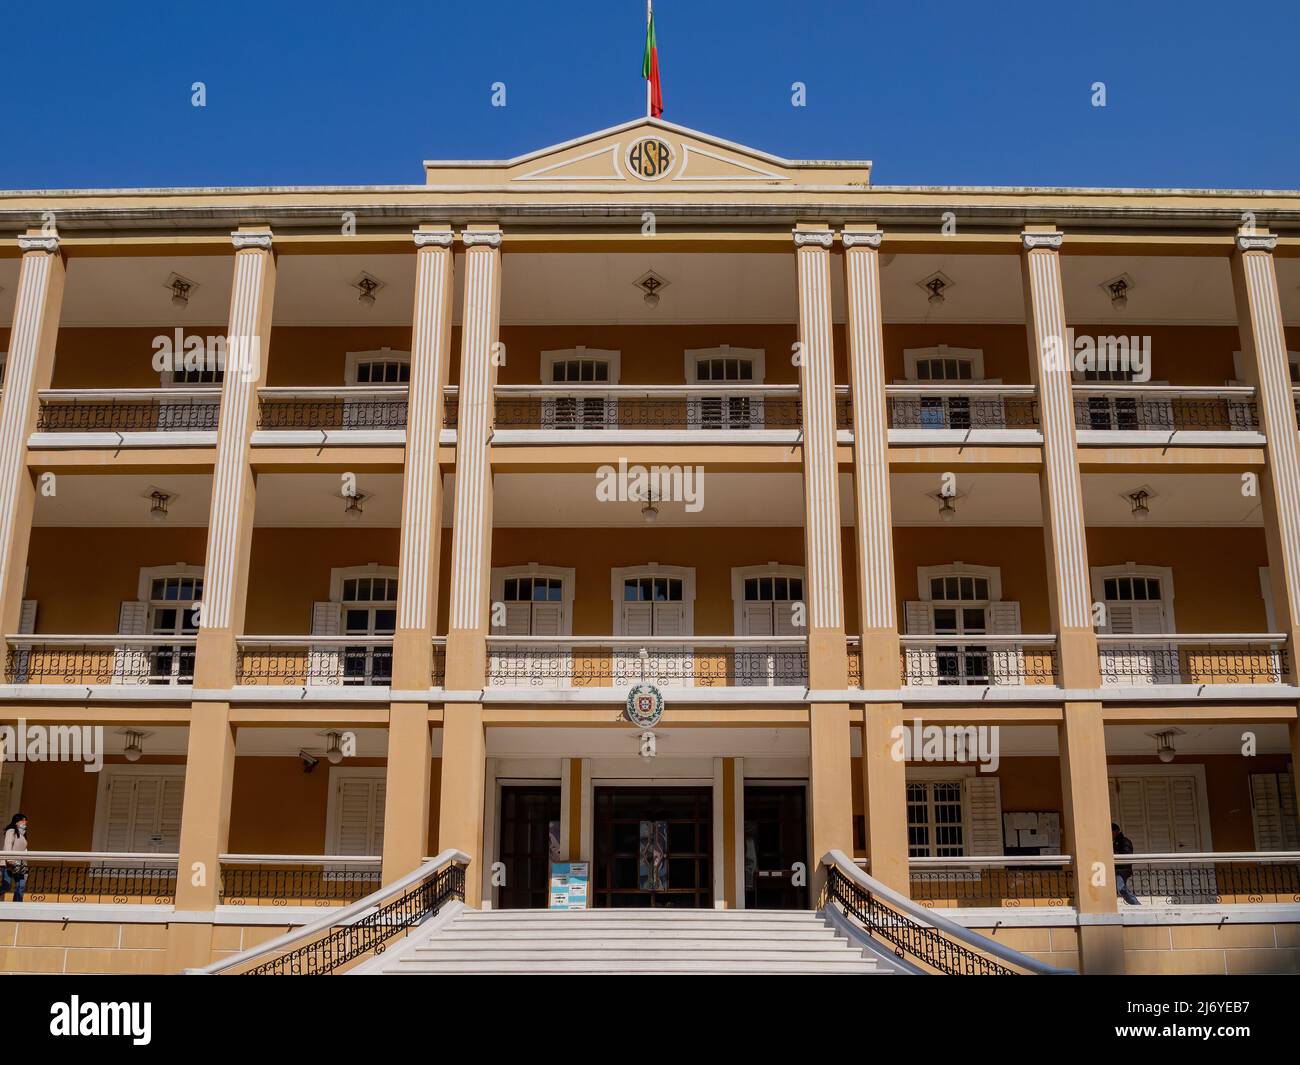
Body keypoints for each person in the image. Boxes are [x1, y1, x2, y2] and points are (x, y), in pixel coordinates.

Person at [1, 813, 29, 902]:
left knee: (21, 886)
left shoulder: (23, 835)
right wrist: (9, 859)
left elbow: (25, 851)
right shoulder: (11, 831)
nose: (25, 822)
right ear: (17, 822)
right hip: (9, 863)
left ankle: (17, 904)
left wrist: (25, 866)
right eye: (23, 820)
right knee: (6, 886)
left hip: (20, 864)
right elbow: (7, 845)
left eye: (26, 820)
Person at [1112, 822, 1140, 905]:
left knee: (1121, 888)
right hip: (1118, 869)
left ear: (1116, 831)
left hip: (1122, 869)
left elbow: (1126, 854)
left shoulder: (1124, 841)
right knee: (1119, 888)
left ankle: (1136, 905)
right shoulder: (1115, 842)